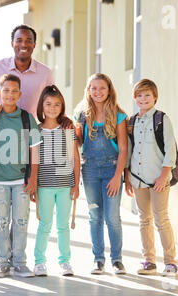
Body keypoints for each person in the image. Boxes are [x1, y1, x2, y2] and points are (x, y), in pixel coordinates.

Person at [0, 24, 75, 274]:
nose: (23, 44)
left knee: (20, 211)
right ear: (12, 43)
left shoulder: (44, 72)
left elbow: (52, 99)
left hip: (28, 134)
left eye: (28, 40)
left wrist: (64, 117)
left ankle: (18, 259)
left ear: (34, 43)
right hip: (1, 142)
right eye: (19, 39)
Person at [74, 73, 128, 275]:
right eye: (93, 88)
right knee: (94, 216)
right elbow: (79, 143)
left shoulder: (118, 114)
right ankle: (98, 259)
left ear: (109, 90)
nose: (98, 92)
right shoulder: (82, 115)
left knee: (112, 217)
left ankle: (117, 259)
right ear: (88, 90)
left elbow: (123, 149)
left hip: (111, 170)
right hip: (89, 171)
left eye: (102, 88)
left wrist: (117, 177)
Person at [0, 74, 41, 278]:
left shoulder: (27, 118)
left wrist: (33, 178)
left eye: (13, 91)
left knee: (21, 221)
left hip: (21, 179)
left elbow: (34, 151)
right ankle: (2, 263)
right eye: (5, 90)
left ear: (19, 94)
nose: (9, 94)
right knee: (1, 221)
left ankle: (19, 262)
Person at [124, 79, 178, 276]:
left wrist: (164, 176)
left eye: (147, 95)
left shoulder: (162, 119)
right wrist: (128, 177)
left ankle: (171, 262)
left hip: (158, 179)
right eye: (139, 95)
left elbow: (170, 149)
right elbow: (130, 150)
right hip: (138, 179)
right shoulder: (132, 121)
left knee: (161, 219)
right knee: (144, 220)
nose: (143, 98)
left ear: (155, 97)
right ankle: (149, 260)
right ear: (135, 98)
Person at [33, 85, 80, 277]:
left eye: (57, 104)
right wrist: (33, 186)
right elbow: (33, 160)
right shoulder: (36, 130)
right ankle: (39, 262)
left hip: (64, 186)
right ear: (42, 106)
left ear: (62, 107)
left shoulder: (67, 129)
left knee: (63, 225)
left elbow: (75, 158)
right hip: (44, 186)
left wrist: (76, 184)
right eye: (48, 104)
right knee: (44, 225)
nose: (52, 108)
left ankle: (64, 261)